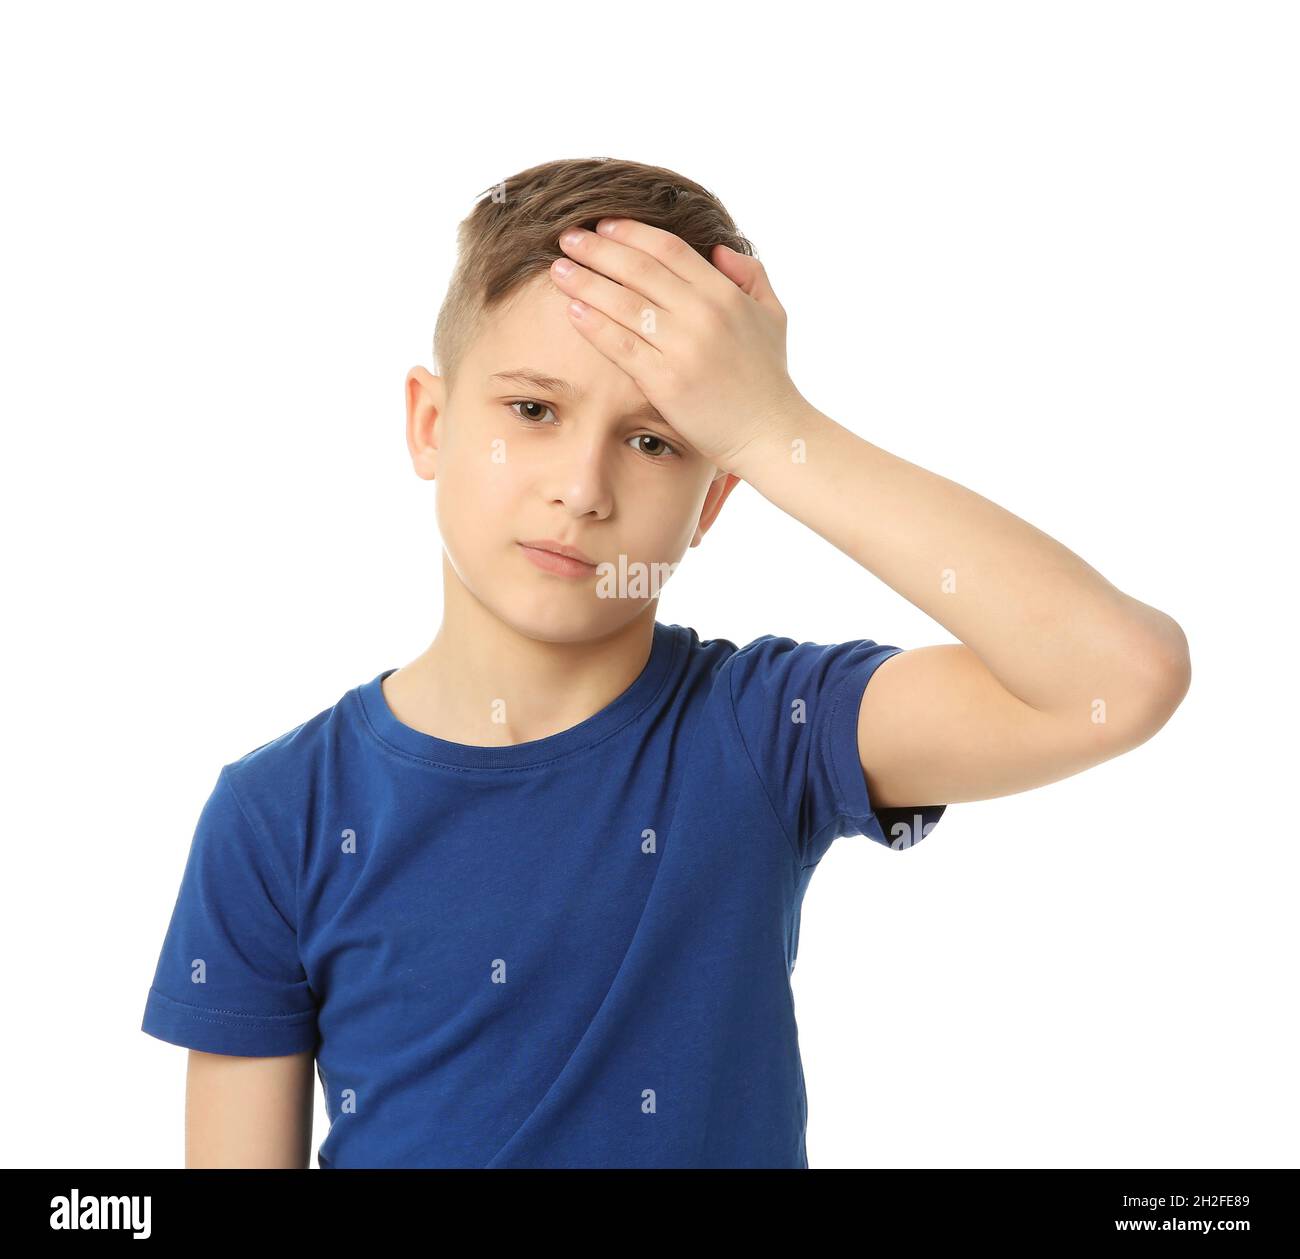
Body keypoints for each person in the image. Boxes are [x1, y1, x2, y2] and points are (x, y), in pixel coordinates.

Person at [141, 156, 1191, 1168]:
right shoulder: (277, 809)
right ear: (429, 419)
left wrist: (774, 427)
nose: (582, 488)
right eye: (533, 410)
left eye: (654, 441)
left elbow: (1119, 677)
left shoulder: (766, 728)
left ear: (717, 495)